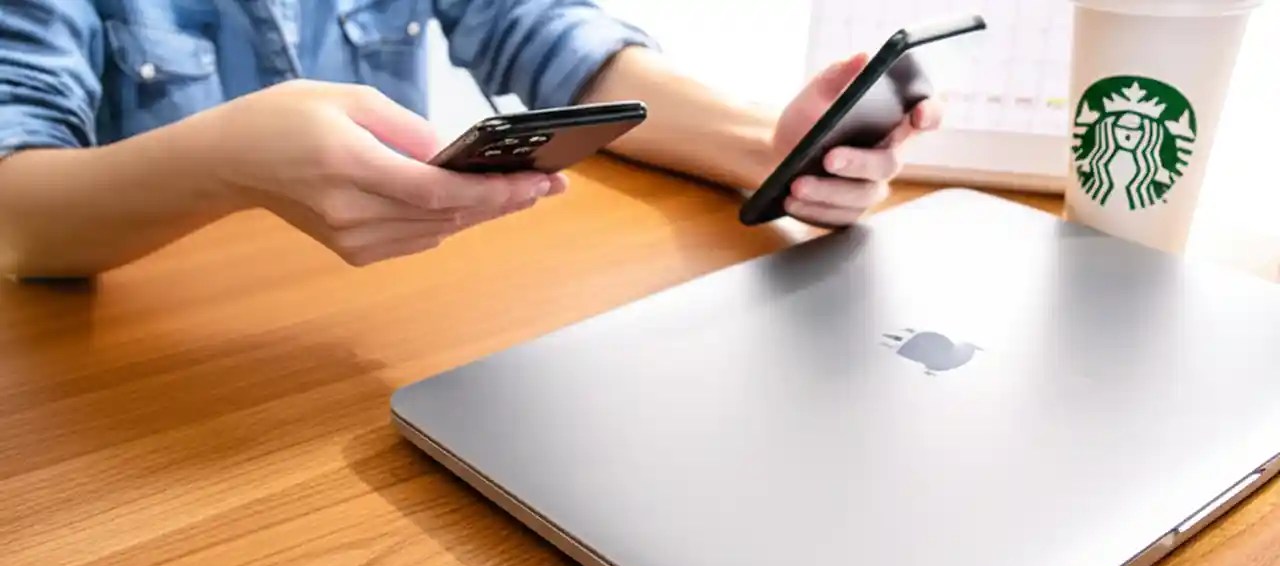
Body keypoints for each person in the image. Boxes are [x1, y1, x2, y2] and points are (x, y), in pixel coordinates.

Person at [0, 1, 941, 277]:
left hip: (383, 330)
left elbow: (553, 39)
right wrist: (225, 161)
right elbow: (20, 214)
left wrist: (765, 148)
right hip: (148, 380)